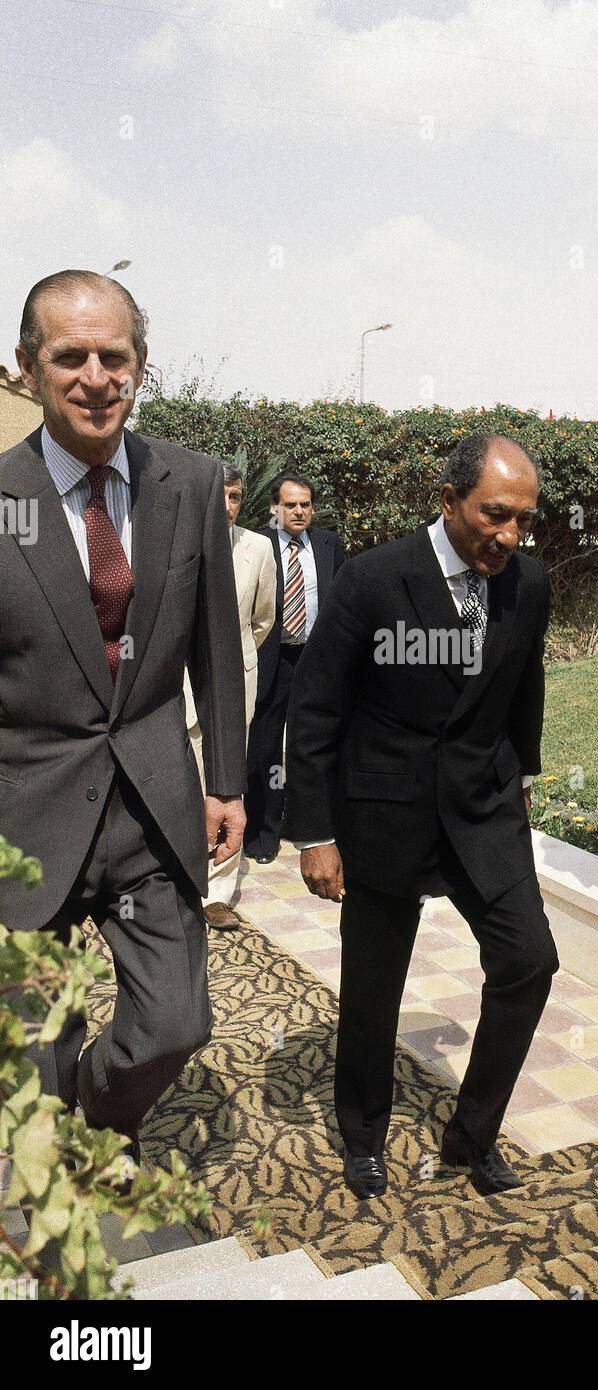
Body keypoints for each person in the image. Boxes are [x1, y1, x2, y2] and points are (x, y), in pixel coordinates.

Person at [0, 270, 246, 1156]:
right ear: (27, 367)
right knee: (39, 1043)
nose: (96, 377)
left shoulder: (189, 483)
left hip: (152, 811)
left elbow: (218, 646)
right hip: (26, 821)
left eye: (116, 355)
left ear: (141, 366)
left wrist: (226, 781)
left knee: (175, 1025)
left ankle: (98, 1124)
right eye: (70, 356)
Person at [285, 434, 558, 1201]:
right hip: (382, 813)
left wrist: (523, 774)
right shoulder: (374, 580)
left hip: (484, 810)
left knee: (530, 960)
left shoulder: (527, 584)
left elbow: (523, 686)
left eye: (523, 522)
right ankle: (363, 1134)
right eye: (494, 515)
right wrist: (315, 833)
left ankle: (472, 1138)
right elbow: (314, 711)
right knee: (375, 987)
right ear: (448, 502)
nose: (509, 536)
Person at [183, 464, 276, 927]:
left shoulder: (258, 549)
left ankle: (216, 892)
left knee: (226, 779)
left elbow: (261, 620)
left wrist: (229, 662)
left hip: (233, 682)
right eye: (220, 494)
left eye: (236, 496)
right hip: (173, 683)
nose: (227, 505)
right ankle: (174, 876)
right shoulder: (176, 539)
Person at [244, 474, 344, 863]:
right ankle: (262, 835)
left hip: (316, 662)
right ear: (274, 508)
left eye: (305, 504)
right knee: (264, 748)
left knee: (315, 746)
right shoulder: (259, 545)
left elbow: (341, 606)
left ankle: (312, 827)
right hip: (273, 659)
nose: (299, 511)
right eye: (290, 505)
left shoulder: (328, 545)